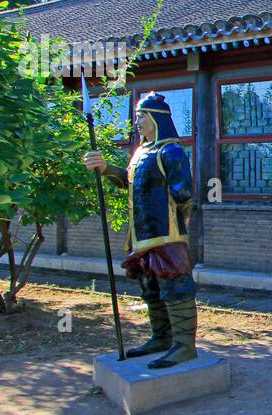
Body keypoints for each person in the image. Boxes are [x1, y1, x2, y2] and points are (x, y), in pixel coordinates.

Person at [83, 92, 199, 369]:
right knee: (150, 288)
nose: (137, 121)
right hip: (141, 236)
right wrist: (104, 168)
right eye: (137, 116)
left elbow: (185, 195)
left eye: (142, 116)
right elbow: (130, 181)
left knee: (176, 288)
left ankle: (184, 346)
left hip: (168, 235)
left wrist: (178, 226)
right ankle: (162, 337)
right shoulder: (141, 153)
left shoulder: (171, 152)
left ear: (157, 118)